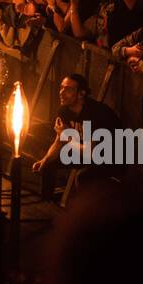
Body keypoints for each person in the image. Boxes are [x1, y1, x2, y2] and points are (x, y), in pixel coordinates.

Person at [31, 73, 122, 203]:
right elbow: (59, 141)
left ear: (81, 94)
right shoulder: (64, 110)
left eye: (68, 89)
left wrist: (67, 137)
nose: (62, 93)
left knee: (82, 177)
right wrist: (44, 160)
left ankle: (83, 216)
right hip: (88, 153)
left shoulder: (95, 113)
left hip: (112, 157)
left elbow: (91, 152)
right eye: (61, 88)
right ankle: (46, 206)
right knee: (49, 164)